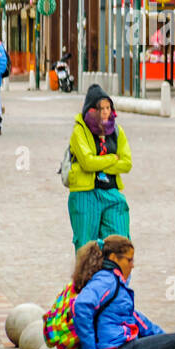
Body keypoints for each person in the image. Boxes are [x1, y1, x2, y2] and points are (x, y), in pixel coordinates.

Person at [67, 85, 132, 254]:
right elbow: (87, 162)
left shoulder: (117, 131)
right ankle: (86, 280)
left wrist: (99, 162)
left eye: (108, 108)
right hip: (85, 194)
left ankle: (112, 279)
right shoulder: (79, 131)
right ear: (91, 109)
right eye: (100, 108)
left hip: (111, 192)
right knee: (86, 248)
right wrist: (111, 158)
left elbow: (126, 163)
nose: (105, 112)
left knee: (119, 245)